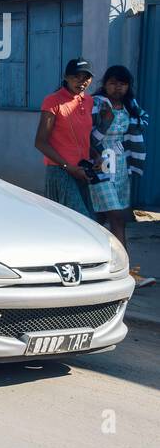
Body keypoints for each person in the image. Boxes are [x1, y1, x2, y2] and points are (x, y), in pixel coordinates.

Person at [89, 65, 152, 284]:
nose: (117, 88)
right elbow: (85, 132)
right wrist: (94, 155)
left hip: (121, 163)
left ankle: (107, 267)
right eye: (113, 83)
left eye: (122, 84)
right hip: (100, 161)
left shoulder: (130, 105)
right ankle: (122, 271)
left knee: (102, 217)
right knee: (116, 216)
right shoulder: (96, 103)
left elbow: (141, 121)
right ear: (105, 84)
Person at [35, 58, 96, 218]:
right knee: (79, 221)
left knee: (87, 223)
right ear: (66, 77)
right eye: (77, 76)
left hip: (82, 171)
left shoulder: (88, 101)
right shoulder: (52, 101)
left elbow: (85, 138)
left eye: (86, 77)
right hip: (61, 171)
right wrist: (68, 167)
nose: (82, 82)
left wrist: (97, 157)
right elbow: (40, 142)